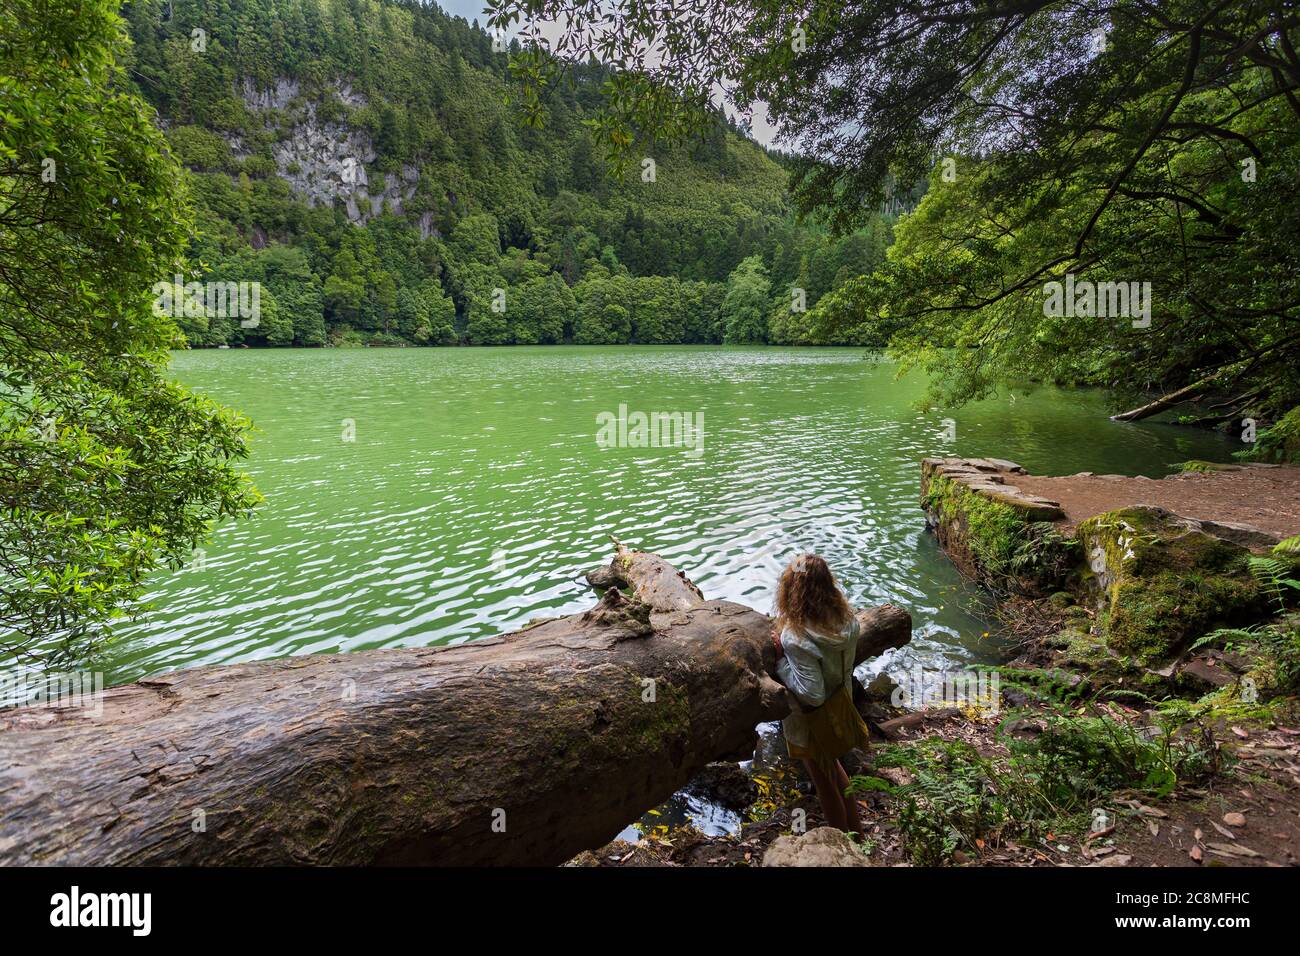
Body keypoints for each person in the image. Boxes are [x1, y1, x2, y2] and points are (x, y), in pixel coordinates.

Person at [771, 554, 870, 834]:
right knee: (835, 772)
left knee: (825, 784)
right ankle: (858, 836)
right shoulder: (846, 620)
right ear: (827, 584)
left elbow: (811, 694)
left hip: (813, 719)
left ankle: (841, 843)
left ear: (791, 589)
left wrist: (780, 660)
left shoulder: (796, 637)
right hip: (841, 705)